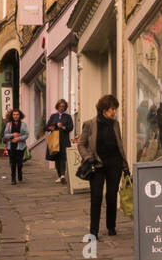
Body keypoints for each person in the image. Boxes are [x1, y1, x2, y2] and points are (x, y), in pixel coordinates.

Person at [76, 94, 128, 238]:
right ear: (104, 110)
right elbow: (81, 145)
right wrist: (88, 158)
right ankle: (94, 231)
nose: (114, 112)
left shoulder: (115, 124)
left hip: (114, 164)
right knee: (96, 197)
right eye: (112, 109)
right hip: (97, 165)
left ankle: (111, 227)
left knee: (111, 197)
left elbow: (120, 146)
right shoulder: (90, 124)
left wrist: (125, 166)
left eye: (115, 109)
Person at [45, 99, 74, 182]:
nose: (61, 108)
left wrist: (63, 127)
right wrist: (53, 126)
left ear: (65, 108)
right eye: (60, 106)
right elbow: (47, 127)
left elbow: (71, 127)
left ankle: (62, 175)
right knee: (57, 158)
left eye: (63, 107)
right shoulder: (53, 116)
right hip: (55, 140)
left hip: (64, 140)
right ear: (57, 107)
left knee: (63, 158)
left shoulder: (68, 117)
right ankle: (59, 176)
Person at [3, 108, 29, 184]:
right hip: (11, 146)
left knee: (20, 163)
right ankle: (13, 178)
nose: (15, 116)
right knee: (12, 163)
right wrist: (12, 135)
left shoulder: (23, 124)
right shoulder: (9, 124)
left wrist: (18, 138)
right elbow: (5, 135)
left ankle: (20, 173)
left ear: (20, 115)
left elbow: (26, 135)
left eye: (17, 114)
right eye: (14, 114)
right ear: (12, 116)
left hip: (20, 146)